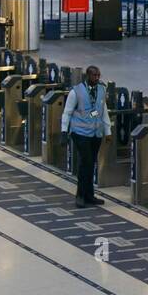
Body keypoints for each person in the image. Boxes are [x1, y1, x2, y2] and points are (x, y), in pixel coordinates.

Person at [60, 65, 111, 208]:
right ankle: (80, 196)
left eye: (98, 75)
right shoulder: (76, 92)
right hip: (80, 133)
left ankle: (89, 195)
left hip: (96, 134)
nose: (97, 77)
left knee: (91, 163)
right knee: (85, 163)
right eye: (94, 75)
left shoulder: (102, 89)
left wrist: (108, 132)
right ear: (87, 76)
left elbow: (103, 111)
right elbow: (67, 112)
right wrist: (64, 132)